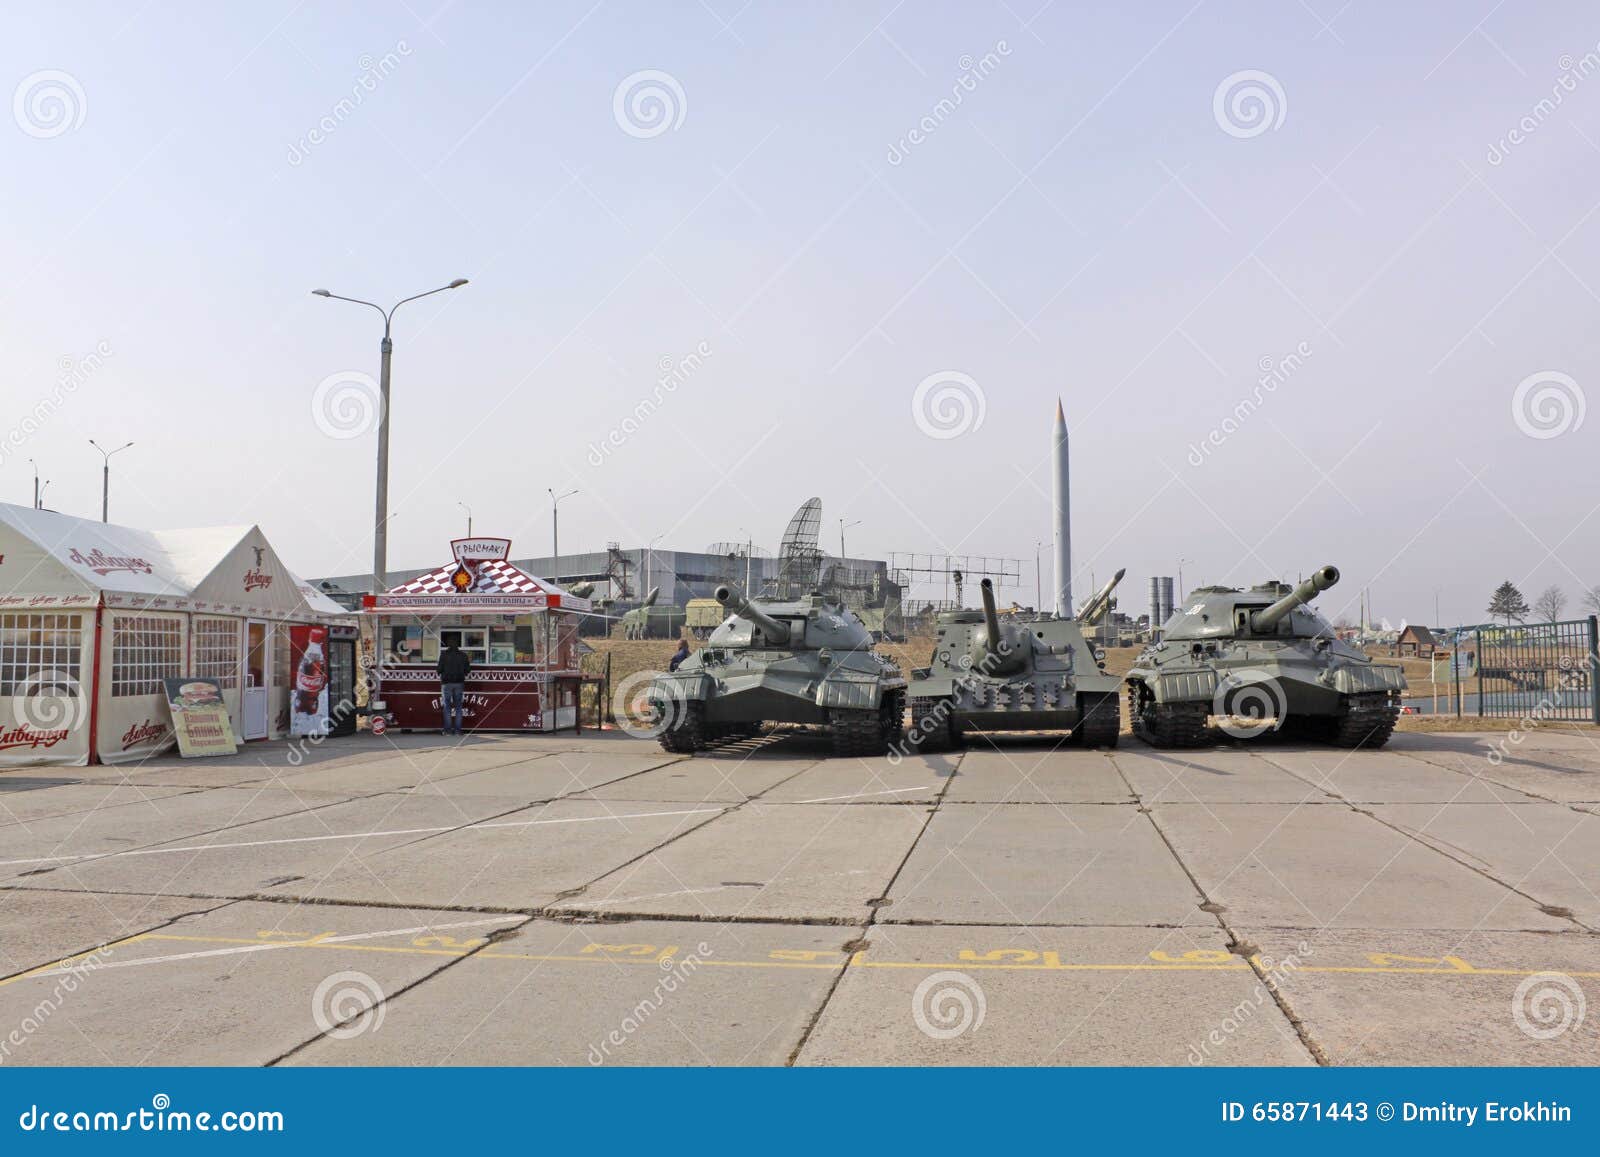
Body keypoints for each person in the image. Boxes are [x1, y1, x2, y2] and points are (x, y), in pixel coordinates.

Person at [436, 638, 471, 734]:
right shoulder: (463, 655)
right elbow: (468, 670)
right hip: (459, 683)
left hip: (446, 683)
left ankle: (447, 730)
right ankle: (457, 730)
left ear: (448, 645)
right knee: (458, 707)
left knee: (447, 706)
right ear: (458, 645)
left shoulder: (443, 655)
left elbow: (438, 669)